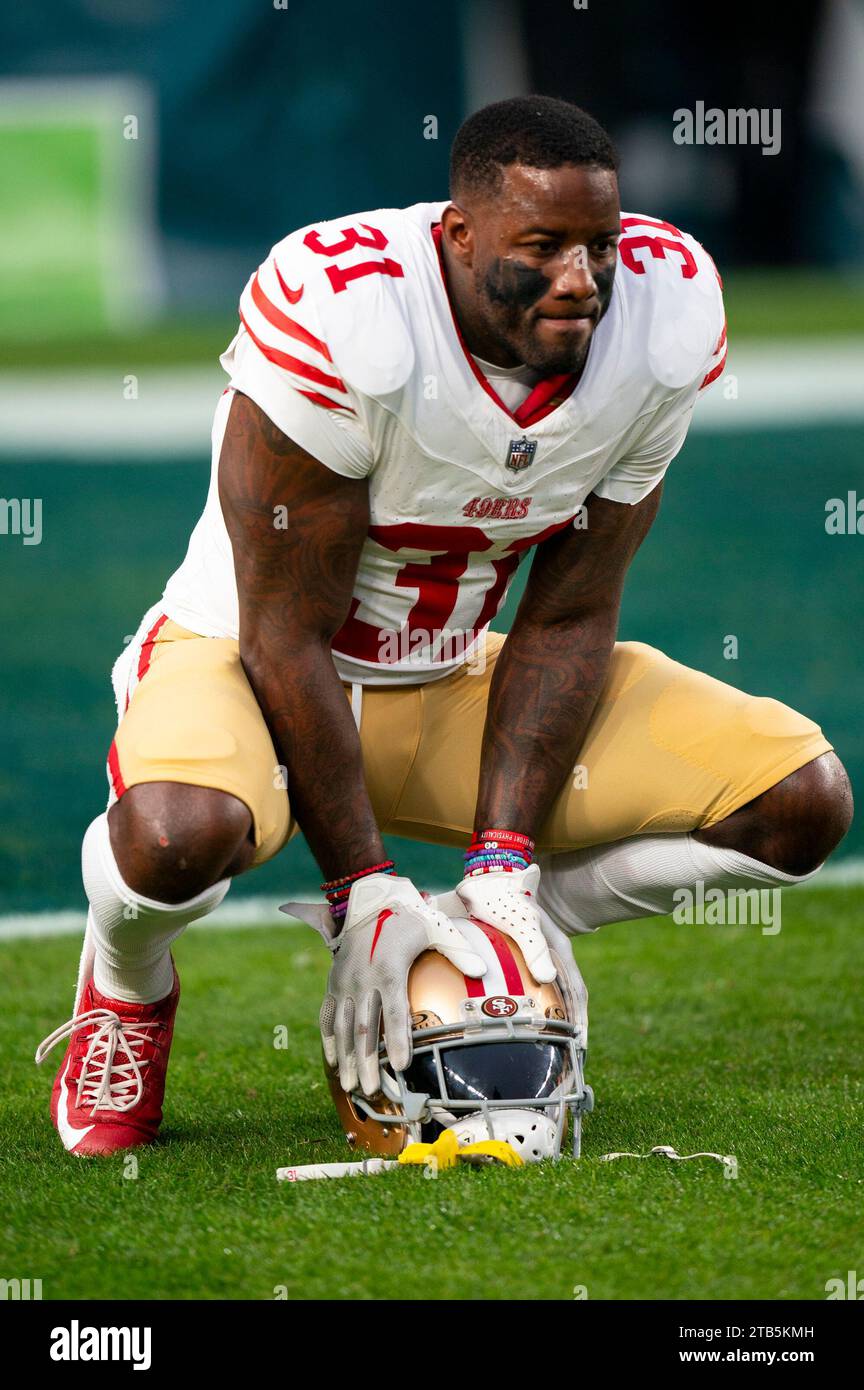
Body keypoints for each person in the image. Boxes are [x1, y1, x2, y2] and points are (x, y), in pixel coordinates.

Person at [36, 95, 851, 1155]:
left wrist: (504, 860)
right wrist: (360, 886)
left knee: (796, 803)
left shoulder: (667, 314)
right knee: (177, 836)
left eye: (600, 245)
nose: (583, 279)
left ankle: (528, 908)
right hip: (249, 669)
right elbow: (283, 631)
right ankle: (125, 987)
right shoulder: (349, 315)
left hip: (452, 673)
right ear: (459, 236)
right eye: (545, 246)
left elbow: (572, 611)